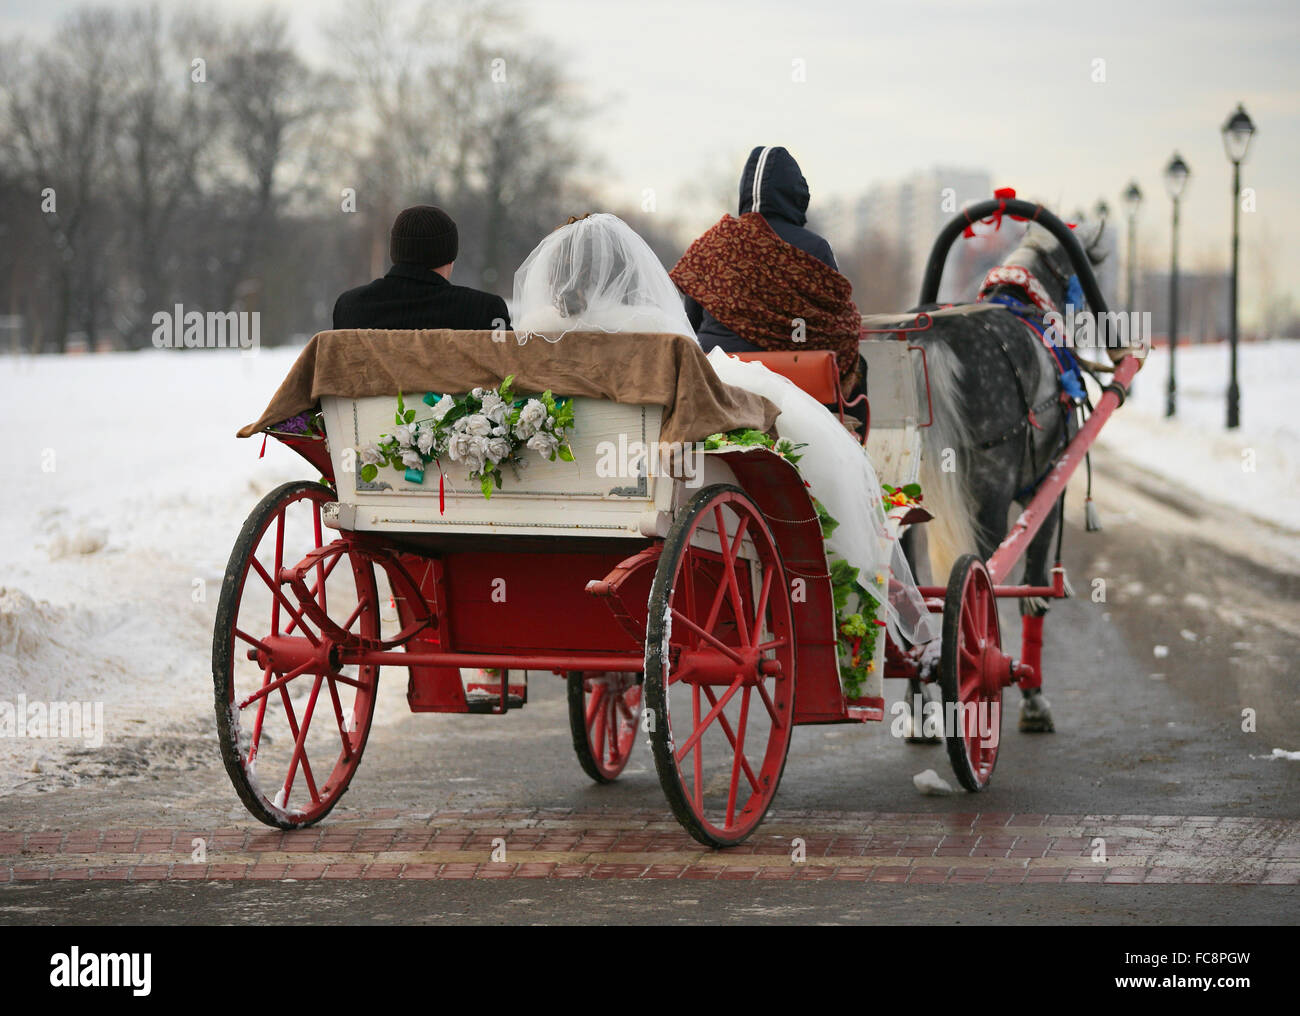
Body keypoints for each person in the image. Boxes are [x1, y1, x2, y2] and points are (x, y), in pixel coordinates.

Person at [511, 212, 936, 650]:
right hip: (649, 478)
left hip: (561, 482)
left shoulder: (532, 329)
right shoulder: (651, 328)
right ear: (625, 270)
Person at [671, 146, 868, 431]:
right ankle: (854, 450)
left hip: (718, 376)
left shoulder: (713, 242)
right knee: (857, 363)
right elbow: (836, 328)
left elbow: (690, 322)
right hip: (797, 383)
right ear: (797, 194)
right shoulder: (816, 248)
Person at [333, 204, 511, 331]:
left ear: (394, 253)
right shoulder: (484, 312)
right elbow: (511, 377)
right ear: (450, 257)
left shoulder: (350, 307)